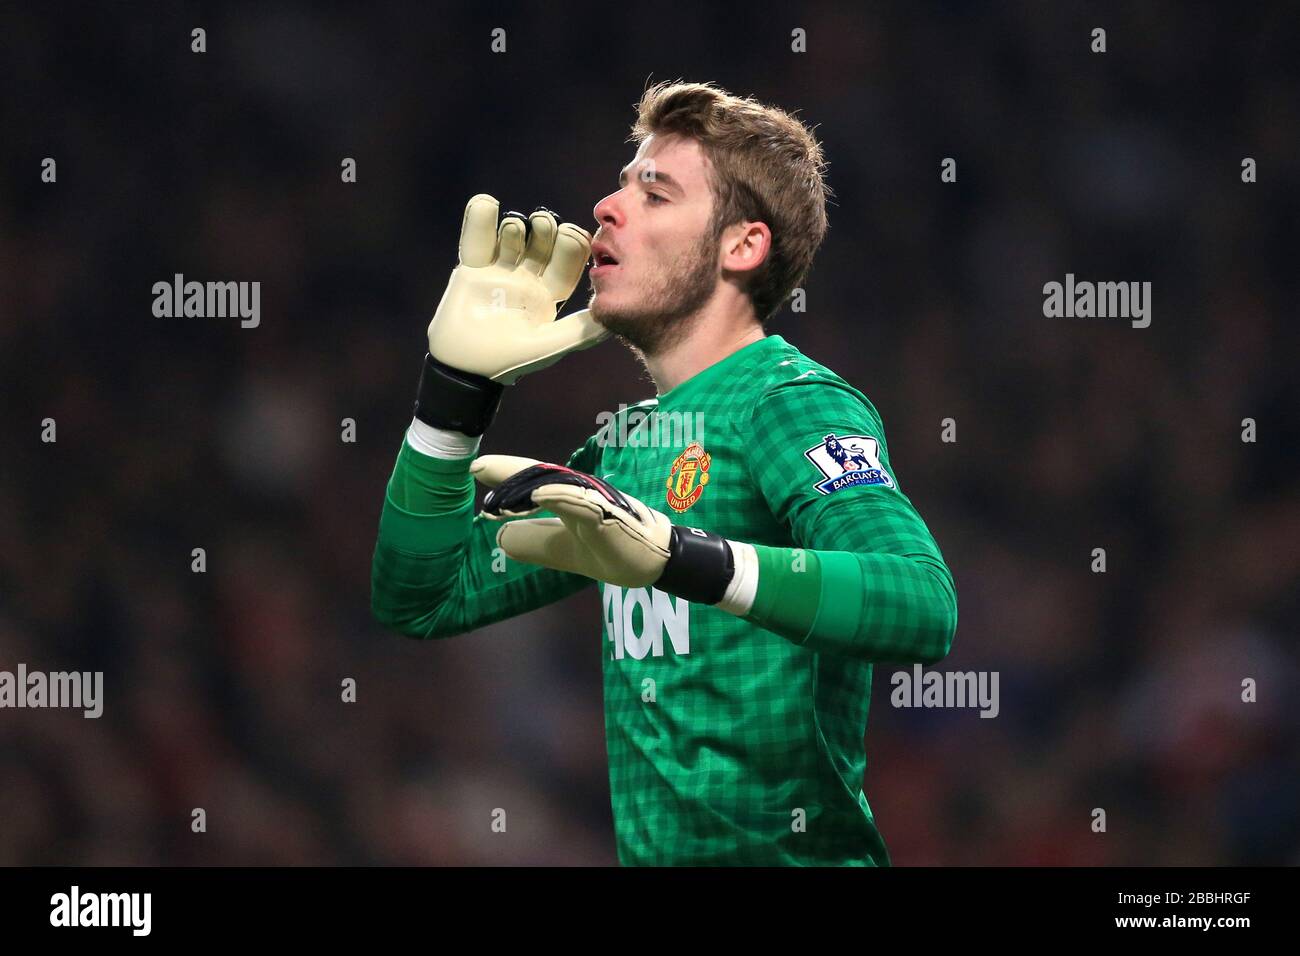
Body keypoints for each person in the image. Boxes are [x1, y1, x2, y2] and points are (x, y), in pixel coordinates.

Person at [371, 80, 957, 865]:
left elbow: (921, 602)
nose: (608, 209)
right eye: (621, 185)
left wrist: (689, 561)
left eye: (655, 193)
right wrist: (453, 397)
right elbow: (423, 596)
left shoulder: (788, 405)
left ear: (741, 246)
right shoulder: (630, 446)